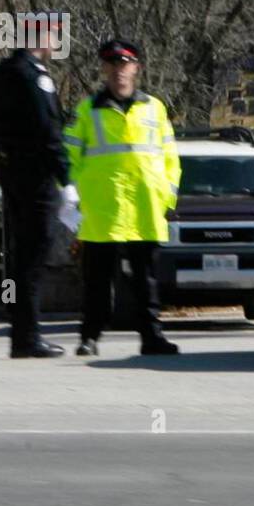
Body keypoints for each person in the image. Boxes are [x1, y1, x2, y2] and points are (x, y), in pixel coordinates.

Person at [63, 39, 181, 356]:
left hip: (145, 206)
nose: (119, 71)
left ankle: (152, 337)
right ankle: (89, 337)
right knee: (97, 280)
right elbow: (69, 156)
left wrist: (167, 199)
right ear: (104, 69)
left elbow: (170, 156)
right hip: (103, 208)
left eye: (125, 64)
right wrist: (71, 196)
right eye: (113, 64)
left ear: (136, 68)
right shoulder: (87, 110)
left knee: (147, 280)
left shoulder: (154, 108)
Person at [0, 14, 75, 358]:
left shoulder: (1, 73)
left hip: (12, 174)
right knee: (34, 257)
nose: (55, 41)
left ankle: (21, 331)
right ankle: (28, 336)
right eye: (53, 34)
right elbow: (47, 132)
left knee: (20, 255)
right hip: (36, 178)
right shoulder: (35, 77)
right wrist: (65, 178)